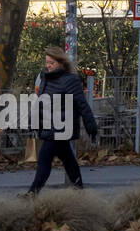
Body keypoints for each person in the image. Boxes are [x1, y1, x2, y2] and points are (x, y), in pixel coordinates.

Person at [24, 46, 98, 196]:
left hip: (61, 126)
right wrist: (34, 120)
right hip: (49, 124)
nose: (48, 66)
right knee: (68, 159)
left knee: (44, 159)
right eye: (47, 62)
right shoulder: (45, 77)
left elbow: (81, 103)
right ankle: (80, 191)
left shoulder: (70, 80)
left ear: (61, 63)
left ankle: (32, 194)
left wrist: (91, 125)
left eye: (52, 63)